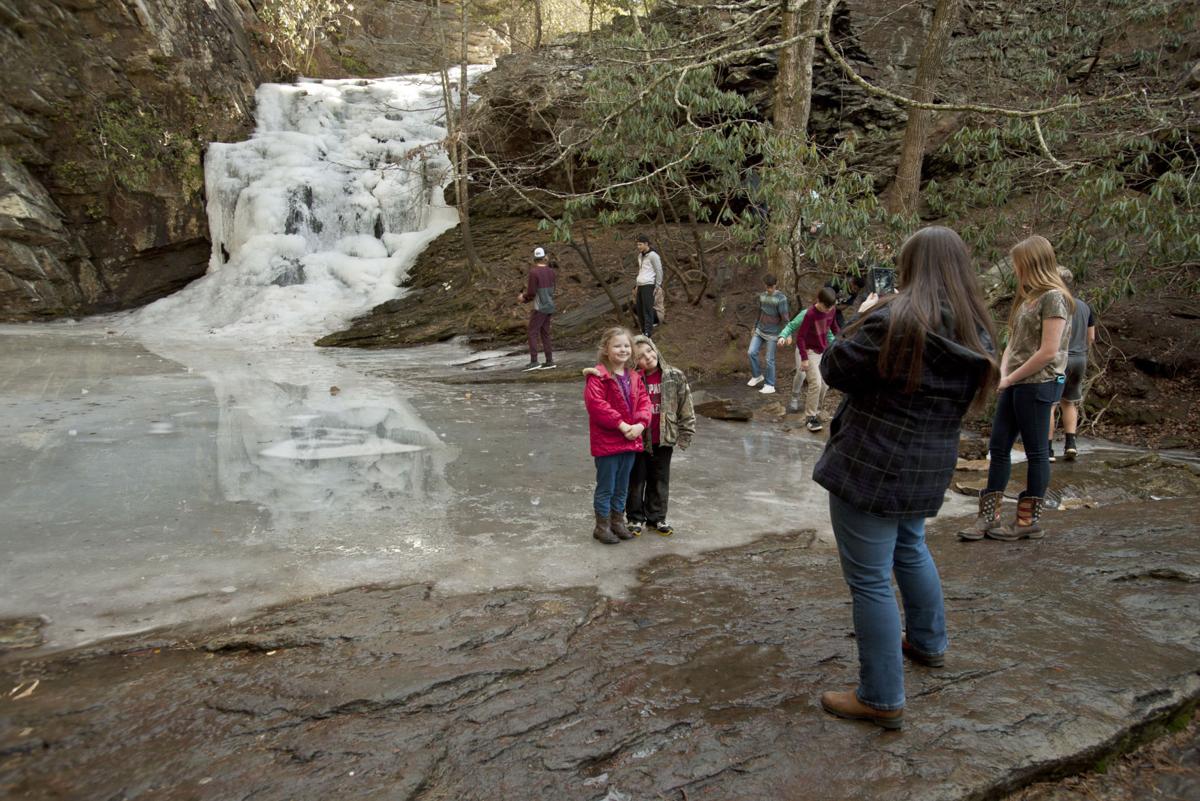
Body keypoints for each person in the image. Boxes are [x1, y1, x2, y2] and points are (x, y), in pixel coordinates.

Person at [813, 225, 999, 730]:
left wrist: (864, 314)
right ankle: (927, 642)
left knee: (870, 580)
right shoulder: (976, 329)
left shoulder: (894, 319)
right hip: (927, 466)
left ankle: (880, 697)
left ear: (909, 266)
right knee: (911, 547)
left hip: (870, 464)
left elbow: (833, 368)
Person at [959, 235, 1073, 543]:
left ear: (1032, 263)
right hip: (1014, 382)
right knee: (998, 447)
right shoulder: (1028, 297)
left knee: (1037, 452)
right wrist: (1004, 371)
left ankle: (1027, 521)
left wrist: (1012, 377)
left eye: (1019, 264)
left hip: (1038, 383)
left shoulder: (1055, 298)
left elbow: (1049, 351)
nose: (1015, 269)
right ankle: (987, 516)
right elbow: (1014, 343)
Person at [584, 327, 653, 545]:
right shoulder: (598, 377)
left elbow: (644, 402)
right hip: (608, 441)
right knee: (606, 486)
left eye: (626, 346)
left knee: (623, 485)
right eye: (617, 346)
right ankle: (601, 526)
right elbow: (597, 406)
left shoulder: (634, 376)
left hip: (630, 440)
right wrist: (622, 425)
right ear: (606, 349)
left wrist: (641, 425)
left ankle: (617, 522)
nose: (622, 350)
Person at [625, 335, 696, 536]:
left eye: (649, 351)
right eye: (640, 356)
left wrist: (686, 433)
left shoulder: (675, 376)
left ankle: (657, 518)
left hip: (664, 439)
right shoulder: (633, 379)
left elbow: (686, 406)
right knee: (636, 479)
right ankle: (635, 517)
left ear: (656, 349)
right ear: (634, 360)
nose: (647, 357)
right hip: (638, 439)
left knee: (660, 479)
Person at [1049, 268, 1095, 462]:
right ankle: (1071, 444)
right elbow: (1091, 337)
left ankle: (1047, 449)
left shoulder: (1054, 305)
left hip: (1060, 361)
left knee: (1050, 404)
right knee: (1069, 402)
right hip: (1080, 360)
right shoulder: (1084, 307)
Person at [793, 286, 840, 432]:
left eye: (830, 307)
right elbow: (800, 338)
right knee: (816, 383)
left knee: (825, 384)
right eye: (826, 307)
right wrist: (804, 358)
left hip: (823, 350)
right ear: (818, 300)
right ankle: (810, 417)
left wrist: (842, 339)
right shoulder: (810, 314)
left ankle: (817, 409)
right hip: (810, 352)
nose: (828, 310)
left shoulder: (831, 309)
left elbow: (834, 327)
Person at [746, 274, 790, 395]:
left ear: (775, 285)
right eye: (767, 287)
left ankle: (770, 384)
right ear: (765, 285)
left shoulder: (781, 299)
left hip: (773, 333)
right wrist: (754, 326)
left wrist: (787, 334)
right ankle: (757, 375)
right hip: (760, 330)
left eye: (771, 287)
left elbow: (785, 317)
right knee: (751, 352)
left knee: (769, 359)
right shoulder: (762, 296)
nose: (769, 289)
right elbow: (759, 312)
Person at [518, 247, 557, 371]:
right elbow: (552, 290)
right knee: (545, 333)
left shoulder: (534, 273)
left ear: (534, 259)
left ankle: (534, 362)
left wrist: (523, 298)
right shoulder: (551, 272)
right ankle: (549, 361)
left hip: (540, 307)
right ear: (545, 257)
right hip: (549, 306)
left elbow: (531, 293)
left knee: (532, 332)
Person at [634, 235, 663, 338]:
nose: (638, 246)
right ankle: (643, 330)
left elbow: (658, 270)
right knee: (639, 308)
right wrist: (637, 285)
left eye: (640, 244)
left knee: (647, 309)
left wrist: (657, 285)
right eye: (637, 244)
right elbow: (641, 271)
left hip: (649, 285)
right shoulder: (640, 256)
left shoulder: (653, 255)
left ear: (646, 244)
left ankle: (648, 332)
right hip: (641, 285)